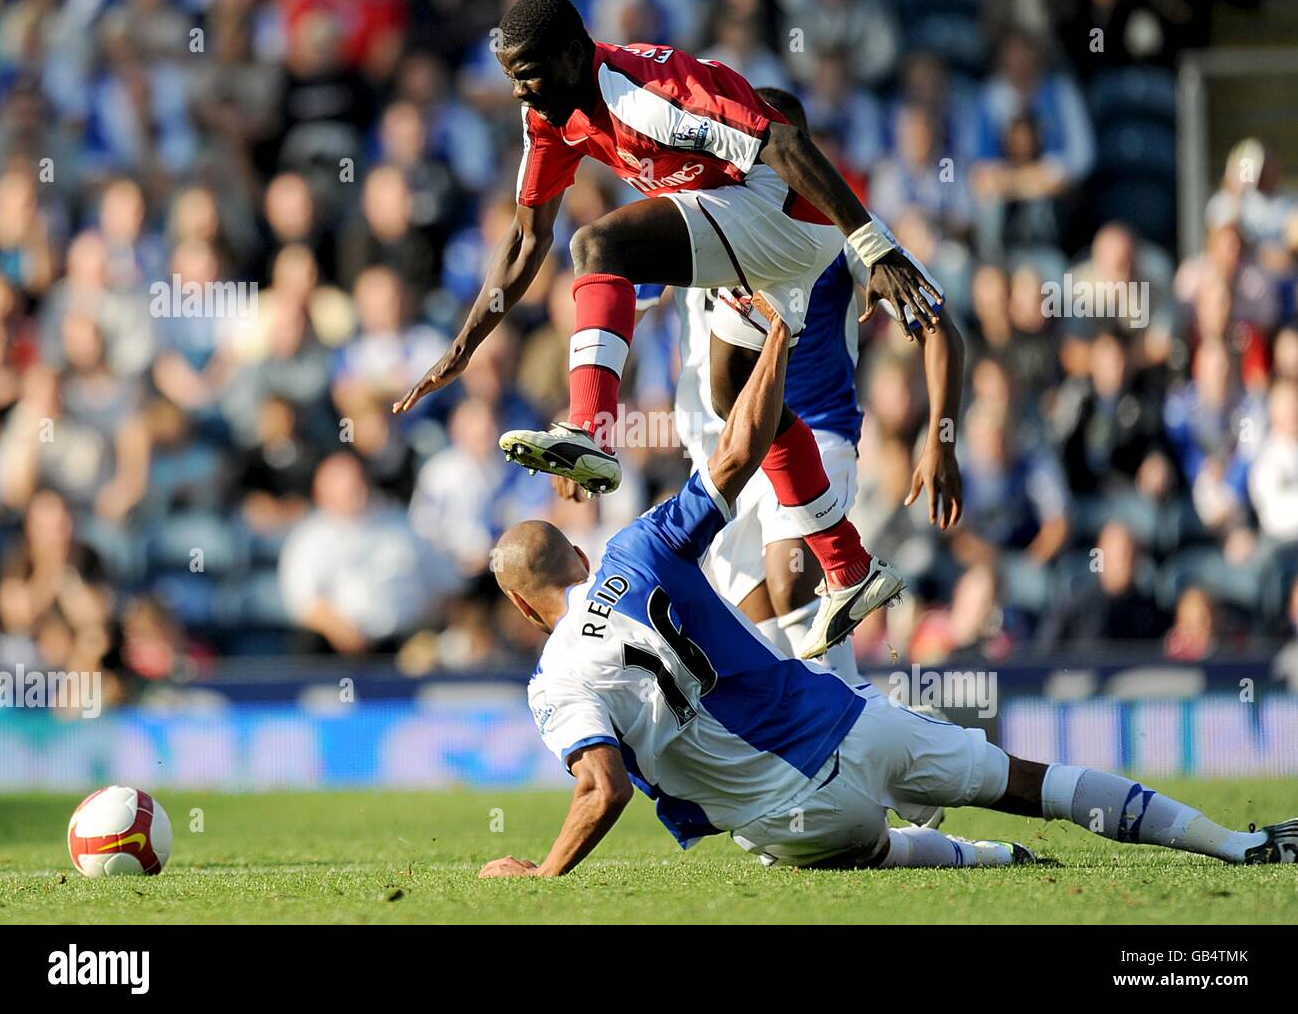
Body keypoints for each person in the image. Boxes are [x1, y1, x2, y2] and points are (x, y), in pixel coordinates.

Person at [480, 298, 1296, 877]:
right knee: (1027, 781)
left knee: (843, 846)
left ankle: (983, 859)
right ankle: (1233, 844)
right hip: (851, 728)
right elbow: (734, 452)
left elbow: (602, 788)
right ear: (579, 561)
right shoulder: (638, 545)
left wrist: (545, 870)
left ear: (522, 605)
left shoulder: (554, 681)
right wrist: (773, 340)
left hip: (786, 821)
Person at [395, 0, 959, 658]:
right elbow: (524, 242)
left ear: (576, 56)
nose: (520, 88)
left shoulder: (647, 93)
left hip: (793, 226)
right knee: (732, 395)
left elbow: (781, 141)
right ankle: (850, 565)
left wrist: (869, 244)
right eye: (512, 75)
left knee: (597, 246)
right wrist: (463, 347)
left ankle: (589, 429)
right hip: (744, 289)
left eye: (532, 72)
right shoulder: (548, 118)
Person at [644, 85, 964, 679]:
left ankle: (854, 743)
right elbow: (623, 285)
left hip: (815, 434)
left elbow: (940, 328)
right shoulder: (701, 214)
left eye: (786, 147)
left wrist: (940, 437)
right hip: (726, 454)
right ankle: (844, 735)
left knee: (794, 581)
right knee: (760, 640)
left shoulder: (843, 229)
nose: (771, 159)